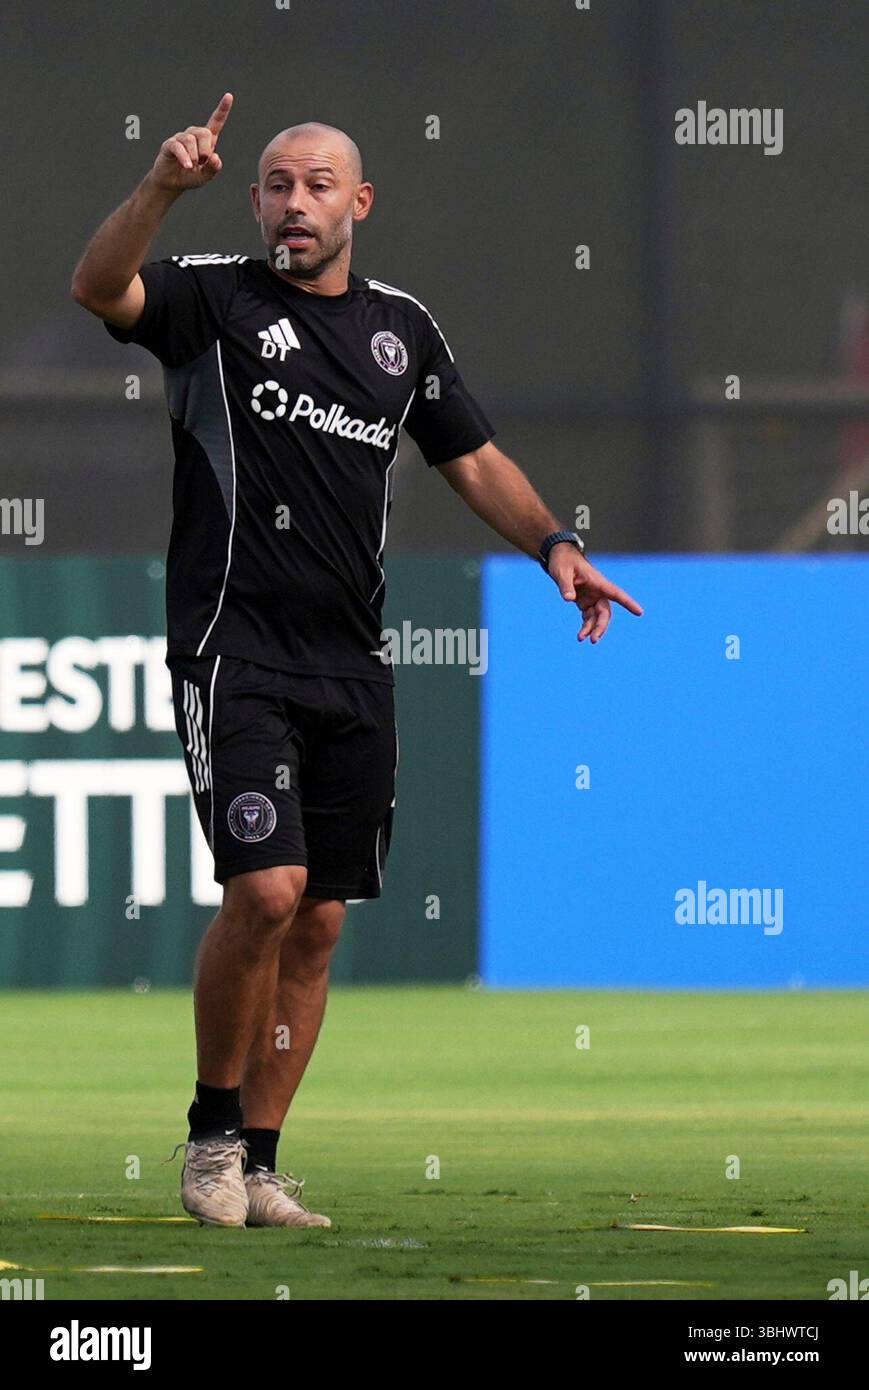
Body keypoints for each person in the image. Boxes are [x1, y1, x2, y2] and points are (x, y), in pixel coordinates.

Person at [71, 93, 643, 1229]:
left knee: (321, 918)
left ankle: (266, 1160)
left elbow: (469, 456)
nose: (294, 203)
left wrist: (555, 546)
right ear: (253, 199)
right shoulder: (209, 301)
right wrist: (157, 187)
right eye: (275, 185)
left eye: (316, 186)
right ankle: (209, 1138)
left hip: (350, 662)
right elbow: (99, 288)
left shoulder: (402, 330)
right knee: (266, 889)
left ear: (358, 203)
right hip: (233, 648)